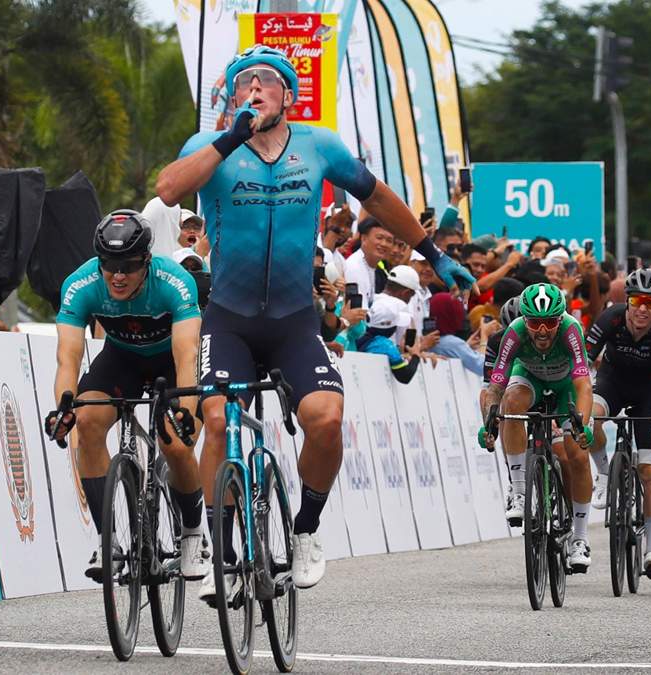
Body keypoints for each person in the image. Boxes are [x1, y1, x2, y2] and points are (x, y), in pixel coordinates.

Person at [154, 45, 474, 596]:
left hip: (293, 320)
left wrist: (434, 254)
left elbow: (377, 195)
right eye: (243, 82)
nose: (254, 88)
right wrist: (231, 135)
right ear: (232, 96)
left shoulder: (318, 145)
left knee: (326, 420)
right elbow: (168, 189)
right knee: (215, 422)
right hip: (228, 319)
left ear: (288, 94)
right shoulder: (209, 146)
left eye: (266, 81)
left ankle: (305, 530)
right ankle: (221, 551)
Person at [44, 210, 206, 581]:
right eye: (110, 265)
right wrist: (64, 406)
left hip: (171, 360)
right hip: (122, 358)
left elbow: (186, 353)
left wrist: (186, 409)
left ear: (147, 261)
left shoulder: (174, 282)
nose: (118, 275)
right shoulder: (81, 284)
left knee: (177, 444)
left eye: (129, 266)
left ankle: (194, 533)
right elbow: (66, 358)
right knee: (86, 418)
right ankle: (109, 541)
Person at [479, 283, 596, 572]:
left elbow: (583, 383)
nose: (542, 331)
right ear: (524, 320)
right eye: (534, 323)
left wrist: (582, 423)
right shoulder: (515, 331)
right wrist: (488, 422)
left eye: (549, 323)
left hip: (566, 386)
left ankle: (579, 539)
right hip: (530, 379)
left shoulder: (571, 330)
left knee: (577, 455)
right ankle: (519, 490)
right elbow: (495, 387)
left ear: (561, 318)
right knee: (511, 402)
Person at [585, 269, 651, 579]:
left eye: (650, 303)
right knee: (591, 417)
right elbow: (580, 368)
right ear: (627, 301)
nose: (642, 309)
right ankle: (601, 473)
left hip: (649, 391)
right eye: (637, 300)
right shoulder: (609, 319)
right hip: (613, 381)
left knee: (650, 471)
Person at [428, 291, 500, 376]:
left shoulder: (428, 340)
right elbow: (484, 368)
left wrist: (466, 345)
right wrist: (484, 336)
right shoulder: (452, 343)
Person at [358, 293, 424, 384]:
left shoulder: (358, 333)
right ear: (390, 327)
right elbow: (405, 377)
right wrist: (416, 356)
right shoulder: (386, 345)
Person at [344, 217, 395, 309]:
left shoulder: (372, 265)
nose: (384, 244)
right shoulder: (354, 267)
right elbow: (358, 313)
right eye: (379, 238)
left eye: (389, 240)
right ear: (363, 239)